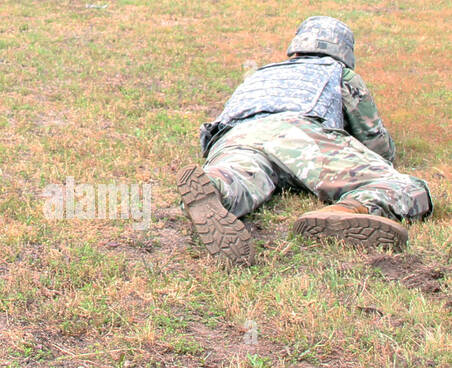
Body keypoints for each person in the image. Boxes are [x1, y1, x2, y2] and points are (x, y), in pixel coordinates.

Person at [179, 16, 432, 265]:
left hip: (235, 137)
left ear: (297, 44)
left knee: (240, 175)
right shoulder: (339, 74)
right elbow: (377, 146)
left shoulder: (260, 74)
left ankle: (215, 187)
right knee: (405, 187)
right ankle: (346, 212)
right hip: (298, 135)